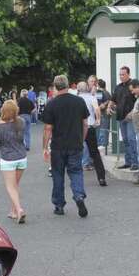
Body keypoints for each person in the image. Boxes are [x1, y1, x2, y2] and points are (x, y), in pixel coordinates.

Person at [41, 74, 90, 217]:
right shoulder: (79, 101)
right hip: (75, 143)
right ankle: (79, 196)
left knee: (57, 174)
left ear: (55, 86)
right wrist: (82, 139)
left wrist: (45, 147)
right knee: (76, 172)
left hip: (58, 146)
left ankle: (59, 205)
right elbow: (85, 124)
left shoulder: (51, 104)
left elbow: (48, 128)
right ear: (68, 85)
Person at [0, 99, 29, 223]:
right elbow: (22, 137)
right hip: (21, 156)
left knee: (10, 186)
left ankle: (19, 210)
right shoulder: (21, 122)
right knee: (15, 185)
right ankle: (13, 211)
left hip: (7, 158)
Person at [77, 81, 106, 186]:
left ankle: (76, 178)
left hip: (78, 128)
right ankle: (101, 177)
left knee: (75, 152)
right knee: (95, 153)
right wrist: (97, 120)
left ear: (78, 89)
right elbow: (97, 108)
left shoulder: (77, 98)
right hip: (90, 127)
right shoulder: (91, 97)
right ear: (87, 88)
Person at [114, 67, 138, 170]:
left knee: (131, 139)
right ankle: (128, 162)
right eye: (120, 75)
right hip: (121, 117)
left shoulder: (133, 85)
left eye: (123, 74)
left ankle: (135, 163)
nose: (121, 76)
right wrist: (110, 106)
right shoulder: (118, 87)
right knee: (125, 140)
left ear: (128, 74)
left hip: (131, 118)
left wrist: (132, 113)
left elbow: (138, 101)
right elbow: (113, 99)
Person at [95, 79, 113, 155]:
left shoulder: (99, 92)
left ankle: (101, 148)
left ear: (98, 85)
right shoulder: (108, 92)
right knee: (106, 130)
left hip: (102, 114)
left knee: (101, 131)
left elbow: (98, 103)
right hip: (107, 115)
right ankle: (105, 148)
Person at [16, 86, 36, 150]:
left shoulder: (19, 100)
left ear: (21, 94)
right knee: (27, 132)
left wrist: (16, 115)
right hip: (28, 116)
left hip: (21, 116)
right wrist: (30, 112)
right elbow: (35, 108)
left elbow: (18, 108)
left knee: (20, 131)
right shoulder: (29, 101)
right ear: (27, 94)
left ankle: (21, 145)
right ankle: (27, 146)